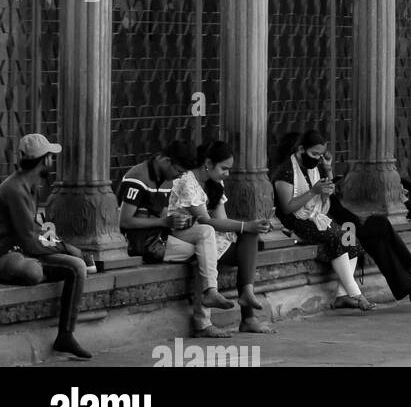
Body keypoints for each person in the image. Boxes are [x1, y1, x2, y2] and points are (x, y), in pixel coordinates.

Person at [272, 129, 411, 309]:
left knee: (378, 232)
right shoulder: (291, 174)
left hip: (345, 222)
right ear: (299, 150)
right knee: (371, 234)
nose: (319, 159)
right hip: (337, 225)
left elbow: (329, 202)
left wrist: (327, 171)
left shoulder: (314, 172)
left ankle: (409, 281)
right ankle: (409, 275)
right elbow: (300, 206)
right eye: (315, 154)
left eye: (321, 155)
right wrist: (320, 188)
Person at [119, 139, 237, 338]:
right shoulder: (137, 177)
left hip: (162, 238)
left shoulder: (167, 178)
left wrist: (179, 221)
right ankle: (204, 317)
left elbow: (163, 215)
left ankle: (209, 298)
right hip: (143, 244)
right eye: (179, 170)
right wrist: (165, 222)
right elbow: (125, 222)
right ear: (166, 160)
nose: (180, 176)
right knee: (206, 252)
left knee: (206, 237)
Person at [167, 140, 274, 334]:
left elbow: (221, 220)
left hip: (206, 237)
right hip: (181, 238)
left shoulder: (215, 183)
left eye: (229, 169)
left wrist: (251, 227)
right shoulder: (187, 181)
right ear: (208, 163)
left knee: (249, 236)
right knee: (210, 238)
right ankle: (205, 318)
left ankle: (247, 301)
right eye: (224, 168)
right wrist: (244, 225)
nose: (227, 173)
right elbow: (206, 221)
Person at [0, 133, 92, 359]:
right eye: (51, 157)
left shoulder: (30, 185)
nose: (52, 162)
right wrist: (63, 248)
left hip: (23, 250)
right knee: (33, 271)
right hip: (6, 253)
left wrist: (65, 246)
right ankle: (34, 267)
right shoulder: (13, 189)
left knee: (77, 266)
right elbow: (31, 240)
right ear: (44, 161)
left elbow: (35, 231)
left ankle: (65, 335)